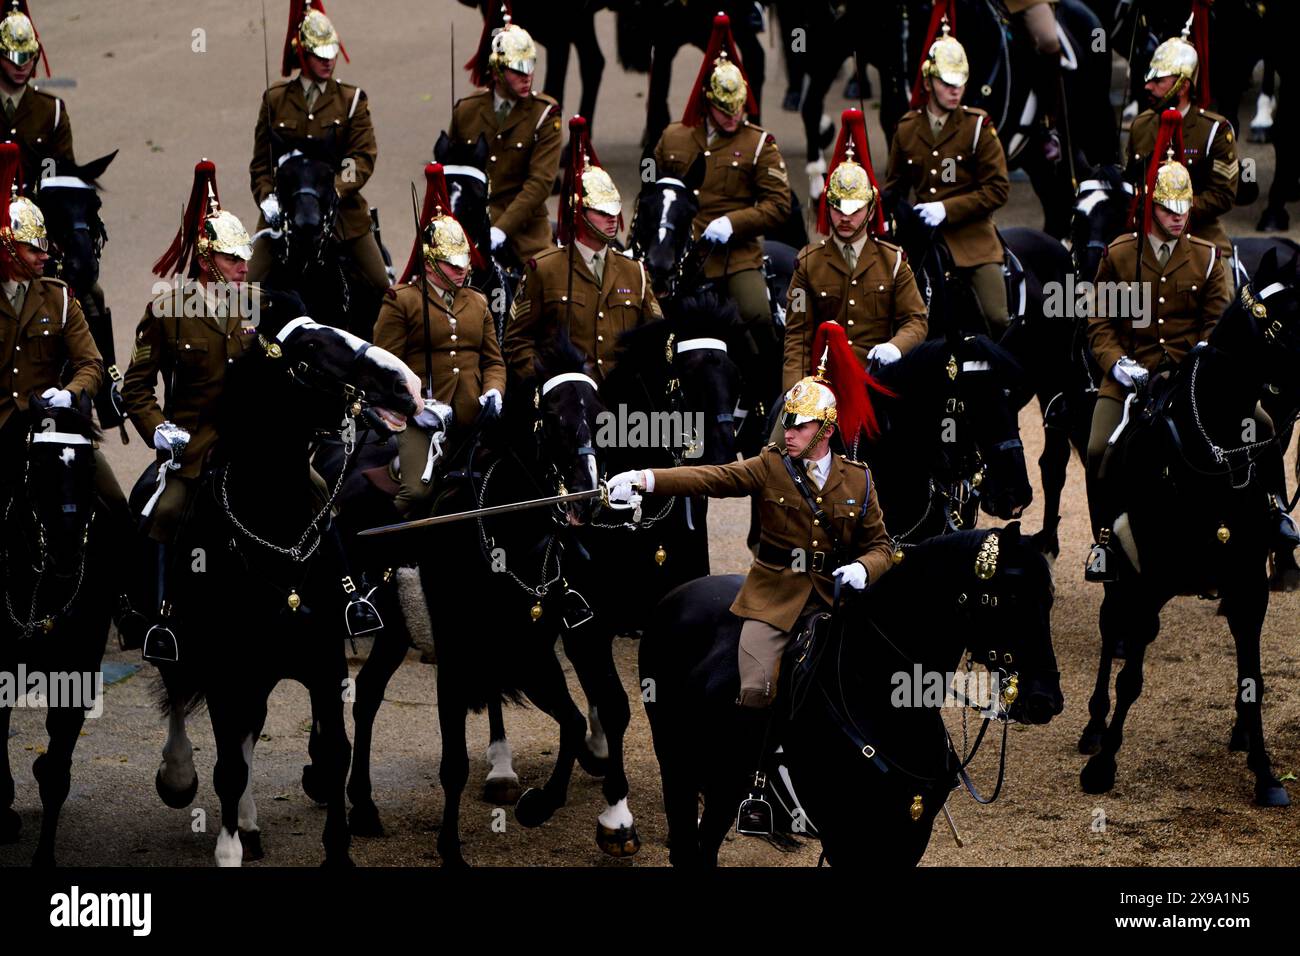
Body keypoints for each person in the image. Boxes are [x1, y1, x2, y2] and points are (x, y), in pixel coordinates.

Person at [607, 321, 893, 835]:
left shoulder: (860, 479)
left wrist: (862, 568)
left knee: (872, 684)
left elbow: (883, 547)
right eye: (787, 422)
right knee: (758, 687)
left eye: (800, 426)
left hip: (835, 600)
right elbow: (713, 477)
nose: (788, 432)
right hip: (776, 598)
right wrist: (647, 479)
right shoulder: (770, 465)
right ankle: (758, 786)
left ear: (826, 431)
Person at [1084, 109, 1235, 580]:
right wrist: (1116, 364)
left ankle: (1273, 513)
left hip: (1191, 376)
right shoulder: (1120, 253)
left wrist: (1203, 358)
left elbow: (1218, 324)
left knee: (1259, 424)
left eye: (1184, 209)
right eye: (1169, 210)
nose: (1178, 218)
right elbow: (1099, 323)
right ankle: (1105, 541)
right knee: (1095, 450)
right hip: (1134, 374)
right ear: (1152, 206)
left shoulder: (1209, 259)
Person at [120, 160, 258, 659]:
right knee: (166, 512)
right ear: (206, 261)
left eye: (245, 258)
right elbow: (136, 386)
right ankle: (160, 618)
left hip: (248, 438)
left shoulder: (256, 305)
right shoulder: (168, 310)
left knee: (311, 489)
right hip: (194, 443)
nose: (244, 267)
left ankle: (342, 595)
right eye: (232, 259)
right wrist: (157, 431)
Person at [651, 11, 791, 389]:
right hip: (682, 253)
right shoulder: (674, 138)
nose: (734, 117)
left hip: (736, 255)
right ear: (707, 101)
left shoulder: (760, 143)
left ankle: (766, 386)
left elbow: (779, 205)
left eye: (740, 108)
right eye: (725, 110)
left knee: (756, 314)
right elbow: (655, 192)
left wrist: (734, 223)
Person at [372, 162, 505, 517]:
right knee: (417, 491)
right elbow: (384, 367)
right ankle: (380, 555)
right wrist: (418, 408)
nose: (462, 270)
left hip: (473, 418)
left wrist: (494, 391)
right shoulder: (402, 300)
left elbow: (493, 361)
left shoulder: (477, 301)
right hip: (422, 422)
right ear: (429, 263)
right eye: (452, 264)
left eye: (464, 263)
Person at [504, 117, 661, 386]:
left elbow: (657, 337)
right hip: (568, 407)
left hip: (622, 405)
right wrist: (548, 384)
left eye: (614, 210)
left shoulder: (634, 272)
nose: (612, 218)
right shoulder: (543, 269)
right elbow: (517, 343)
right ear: (579, 213)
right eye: (602, 212)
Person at [784, 108, 927, 394]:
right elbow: (798, 337)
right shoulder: (808, 263)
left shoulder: (893, 261)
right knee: (778, 438)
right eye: (838, 208)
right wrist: (796, 392)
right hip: (825, 387)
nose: (845, 217)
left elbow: (915, 320)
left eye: (855, 209)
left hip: (878, 383)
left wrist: (895, 347)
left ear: (871, 209)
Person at [249, 0, 387, 290]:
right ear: (302, 52)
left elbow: (361, 158)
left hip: (341, 216)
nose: (329, 61)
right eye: (320, 54)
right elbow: (262, 164)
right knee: (248, 287)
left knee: (381, 286)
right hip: (286, 211)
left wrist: (336, 189)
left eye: (332, 53)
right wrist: (267, 199)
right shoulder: (276, 100)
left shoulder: (351, 101)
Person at [884, 17, 1011, 335]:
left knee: (997, 316)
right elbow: (895, 187)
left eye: (960, 83)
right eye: (946, 83)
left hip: (972, 238)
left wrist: (947, 209)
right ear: (928, 83)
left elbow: (997, 189)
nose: (955, 91)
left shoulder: (977, 126)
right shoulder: (907, 128)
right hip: (923, 239)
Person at [450, 4, 561, 264]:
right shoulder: (466, 111)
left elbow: (539, 184)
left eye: (530, 67)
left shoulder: (544, 115)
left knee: (546, 287)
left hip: (525, 231)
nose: (528, 77)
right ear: (497, 72)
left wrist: (501, 229)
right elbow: (452, 175)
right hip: (469, 223)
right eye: (518, 70)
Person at [1125, 11, 1237, 259]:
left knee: (1226, 294)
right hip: (1144, 236)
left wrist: (1168, 210)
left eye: (1159, 80)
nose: (1147, 86)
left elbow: (1223, 196)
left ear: (1183, 86)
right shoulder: (1141, 125)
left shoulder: (1215, 131)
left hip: (1199, 236)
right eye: (1149, 79)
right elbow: (1131, 180)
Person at [0, 0, 69, 193]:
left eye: (28, 57)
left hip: (37, 217)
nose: (21, 66)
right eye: (12, 58)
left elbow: (62, 179)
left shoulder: (51, 112)